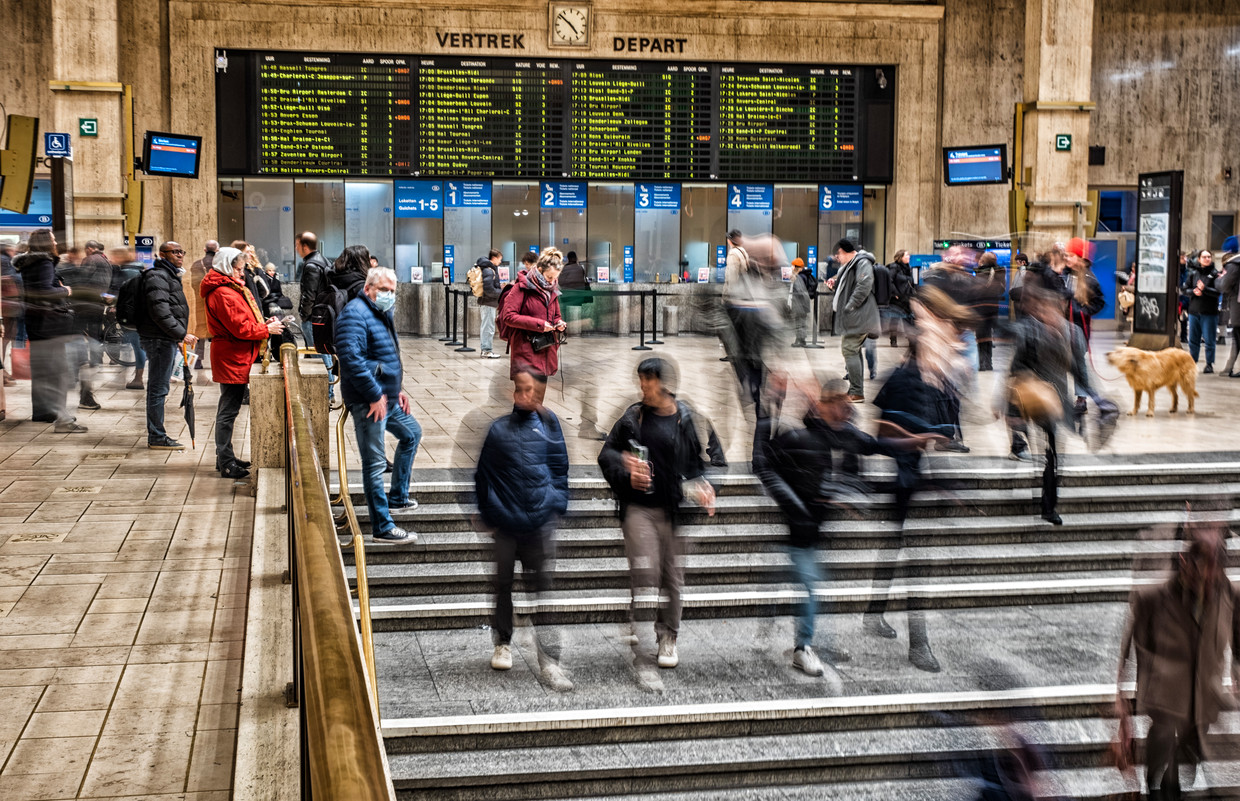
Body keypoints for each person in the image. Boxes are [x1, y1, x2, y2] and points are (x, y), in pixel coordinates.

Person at [752, 377, 928, 677]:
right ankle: (802, 647)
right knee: (809, 585)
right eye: (841, 403)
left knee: (797, 580)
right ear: (825, 405)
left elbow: (877, 445)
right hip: (799, 526)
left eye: (848, 403)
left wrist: (917, 439)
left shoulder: (846, 435)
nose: (847, 408)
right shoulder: (799, 437)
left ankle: (774, 624)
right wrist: (789, 501)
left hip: (815, 528)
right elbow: (761, 462)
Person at [598, 357, 716, 689]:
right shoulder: (633, 417)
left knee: (673, 578)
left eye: (647, 382)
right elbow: (606, 453)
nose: (643, 388)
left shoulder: (688, 419)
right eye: (640, 382)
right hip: (639, 508)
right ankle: (640, 629)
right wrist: (624, 468)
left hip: (674, 511)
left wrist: (707, 487)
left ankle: (669, 637)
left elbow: (712, 460)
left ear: (663, 383)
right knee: (646, 571)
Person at [1116, 525, 1239, 801]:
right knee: (1159, 769)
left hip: (1203, 696)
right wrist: (1123, 706)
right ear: (1185, 564)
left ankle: (1171, 782)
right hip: (1164, 698)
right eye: (1203, 570)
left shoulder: (1229, 593)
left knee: (1187, 759)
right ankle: (1158, 787)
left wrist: (1235, 675)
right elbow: (1130, 648)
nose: (1210, 580)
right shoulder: (1153, 596)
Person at [475, 366, 571, 689]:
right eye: (524, 390)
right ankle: (503, 641)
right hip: (506, 524)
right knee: (503, 585)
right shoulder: (498, 430)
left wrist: (555, 505)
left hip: (538, 525)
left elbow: (560, 468)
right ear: (513, 392)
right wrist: (491, 515)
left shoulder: (549, 424)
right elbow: (482, 477)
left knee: (542, 592)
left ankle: (550, 661)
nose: (530, 396)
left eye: (535, 391)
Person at [335, 266, 421, 544]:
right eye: (384, 290)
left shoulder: (379, 312)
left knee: (411, 434)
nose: (389, 295)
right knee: (373, 464)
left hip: (388, 397)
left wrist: (399, 390)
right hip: (368, 401)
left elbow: (386, 355)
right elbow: (351, 359)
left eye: (393, 291)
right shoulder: (355, 313)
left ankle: (398, 497)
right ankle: (382, 527)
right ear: (368, 288)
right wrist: (374, 395)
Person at [201, 247, 284, 479]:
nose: (242, 273)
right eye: (238, 269)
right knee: (228, 410)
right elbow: (240, 328)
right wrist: (266, 329)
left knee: (229, 408)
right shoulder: (224, 293)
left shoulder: (230, 288)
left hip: (235, 354)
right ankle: (226, 462)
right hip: (232, 355)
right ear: (227, 267)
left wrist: (264, 323)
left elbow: (244, 320)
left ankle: (225, 457)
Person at [14, 230, 84, 432]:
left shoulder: (27, 263)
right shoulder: (44, 262)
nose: (56, 242)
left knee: (42, 371)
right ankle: (59, 415)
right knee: (58, 372)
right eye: (53, 240)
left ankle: (43, 411)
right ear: (46, 243)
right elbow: (44, 291)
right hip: (50, 324)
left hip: (35, 322)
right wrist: (65, 290)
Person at [136, 241, 196, 450]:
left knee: (159, 387)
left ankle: (157, 433)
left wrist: (177, 338)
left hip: (165, 338)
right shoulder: (157, 276)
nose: (180, 255)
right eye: (175, 252)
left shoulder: (169, 275)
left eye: (182, 251)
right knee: (158, 388)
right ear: (162, 254)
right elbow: (159, 311)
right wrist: (181, 334)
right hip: (158, 339)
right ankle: (157, 436)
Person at [499, 247, 566, 386]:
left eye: (555, 278)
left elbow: (556, 315)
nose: (551, 281)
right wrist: (539, 324)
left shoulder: (552, 290)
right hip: (525, 349)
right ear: (540, 270)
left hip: (545, 349)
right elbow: (508, 316)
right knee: (523, 401)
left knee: (538, 399)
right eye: (549, 277)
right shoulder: (521, 287)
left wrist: (558, 323)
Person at [58, 240, 111, 410]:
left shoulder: (90, 260)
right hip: (97, 305)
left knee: (77, 341)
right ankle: (94, 363)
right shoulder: (106, 260)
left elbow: (82, 281)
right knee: (93, 339)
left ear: (89, 249)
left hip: (84, 306)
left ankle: (77, 378)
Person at [826, 239, 879, 402]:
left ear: (843, 251)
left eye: (838, 255)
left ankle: (856, 392)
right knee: (853, 350)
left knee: (849, 349)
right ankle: (855, 390)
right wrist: (835, 283)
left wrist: (850, 306)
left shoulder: (861, 261)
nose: (837, 259)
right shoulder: (850, 265)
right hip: (855, 316)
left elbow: (864, 284)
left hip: (858, 316)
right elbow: (849, 285)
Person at [110, 248, 147, 389]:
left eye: (115, 255)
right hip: (137, 314)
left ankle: (138, 378)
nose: (112, 258)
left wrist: (112, 302)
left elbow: (122, 293)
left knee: (136, 347)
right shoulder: (138, 269)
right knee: (132, 345)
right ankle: (130, 376)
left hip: (130, 315)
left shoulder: (126, 272)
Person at [1185, 247, 1220, 373]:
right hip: (1194, 312)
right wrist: (1193, 292)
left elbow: (1217, 292)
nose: (1207, 259)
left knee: (1209, 340)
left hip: (1209, 313)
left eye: (1209, 257)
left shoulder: (1216, 274)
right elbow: (1185, 289)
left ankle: (1209, 364)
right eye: (1204, 257)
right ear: (1199, 259)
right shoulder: (1193, 274)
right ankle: (1192, 362)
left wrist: (1204, 289)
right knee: (1193, 340)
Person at [297, 231, 331, 354]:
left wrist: (304, 316)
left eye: (297, 245)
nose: (296, 249)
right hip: (323, 315)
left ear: (304, 247)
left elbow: (309, 295)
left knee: (317, 357)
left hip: (313, 318)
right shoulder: (323, 260)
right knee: (323, 355)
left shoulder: (311, 265)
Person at [187, 240, 217, 372]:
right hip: (217, 302)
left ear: (205, 250)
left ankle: (198, 360)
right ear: (217, 251)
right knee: (218, 330)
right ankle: (217, 359)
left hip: (201, 302)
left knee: (200, 330)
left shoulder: (196, 265)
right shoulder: (219, 265)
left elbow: (194, 285)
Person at [973, 252, 1005, 372]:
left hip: (980, 308)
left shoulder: (980, 272)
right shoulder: (999, 272)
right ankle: (989, 363)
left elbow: (975, 292)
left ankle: (982, 364)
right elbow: (1001, 290)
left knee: (980, 337)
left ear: (983, 261)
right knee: (988, 337)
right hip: (992, 308)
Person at [475, 249, 503, 359]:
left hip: (488, 303)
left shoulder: (488, 269)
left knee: (488, 326)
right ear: (494, 258)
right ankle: (486, 351)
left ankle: (486, 350)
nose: (500, 262)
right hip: (488, 303)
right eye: (500, 259)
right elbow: (489, 290)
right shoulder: (489, 270)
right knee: (488, 327)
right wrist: (501, 292)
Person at [1219, 237, 1240, 377]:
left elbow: (1223, 286)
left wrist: (1219, 279)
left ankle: (1228, 368)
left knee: (1237, 338)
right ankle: (1228, 368)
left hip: (1237, 308)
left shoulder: (1234, 265)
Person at [1, 243, 21, 388]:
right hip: (7, 305)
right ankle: (2, 372)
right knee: (5, 338)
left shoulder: (6, 260)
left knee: (7, 338)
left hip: (8, 305)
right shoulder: (5, 260)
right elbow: (11, 279)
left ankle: (3, 371)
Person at [886, 249, 914, 347]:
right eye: (907, 255)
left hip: (906, 298)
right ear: (901, 257)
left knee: (908, 320)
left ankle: (911, 341)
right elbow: (889, 280)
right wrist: (895, 294)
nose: (909, 256)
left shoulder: (908, 268)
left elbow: (910, 283)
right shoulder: (894, 267)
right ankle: (893, 340)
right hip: (897, 298)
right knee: (895, 320)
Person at [788, 257, 814, 347]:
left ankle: (800, 341)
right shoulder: (803, 275)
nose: (791, 268)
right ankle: (800, 339)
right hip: (803, 304)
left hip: (800, 304)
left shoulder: (799, 277)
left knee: (800, 322)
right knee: (801, 322)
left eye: (792, 266)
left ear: (796, 267)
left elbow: (799, 291)